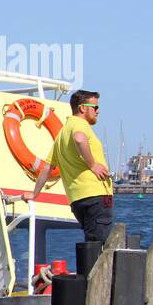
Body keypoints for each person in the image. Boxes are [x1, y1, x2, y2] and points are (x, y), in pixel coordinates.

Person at [23, 90, 113, 241]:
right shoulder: (80, 124)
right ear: (83, 108)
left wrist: (34, 194)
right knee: (99, 245)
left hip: (77, 199)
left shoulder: (62, 133)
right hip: (95, 195)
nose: (98, 112)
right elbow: (79, 139)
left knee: (91, 242)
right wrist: (93, 165)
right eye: (95, 107)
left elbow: (47, 168)